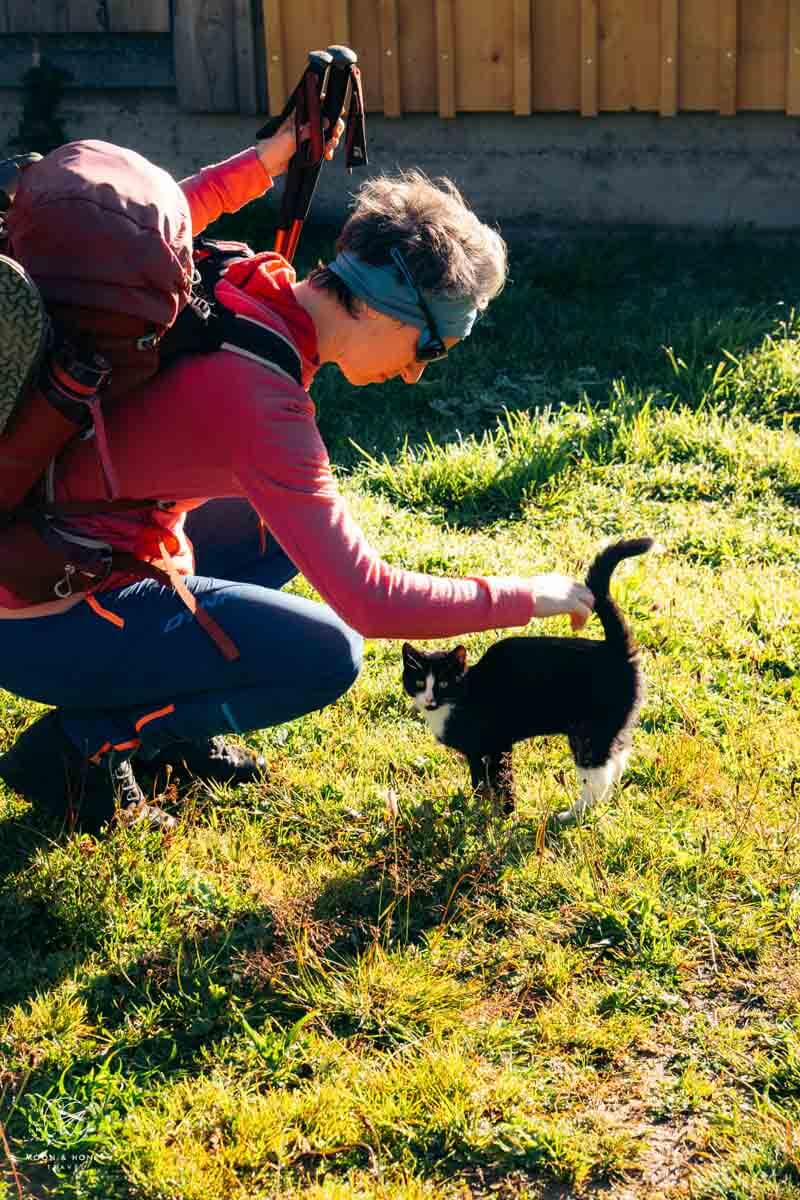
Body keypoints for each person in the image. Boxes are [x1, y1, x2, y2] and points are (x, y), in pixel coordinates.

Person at [0, 122, 594, 832]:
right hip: (41, 613)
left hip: (50, 530)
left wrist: (266, 160)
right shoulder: (263, 403)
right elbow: (372, 603)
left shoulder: (242, 277)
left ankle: (173, 738)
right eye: (431, 346)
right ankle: (79, 751)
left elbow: (174, 210)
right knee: (324, 655)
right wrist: (531, 596)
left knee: (274, 535)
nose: (414, 372)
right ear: (377, 309)